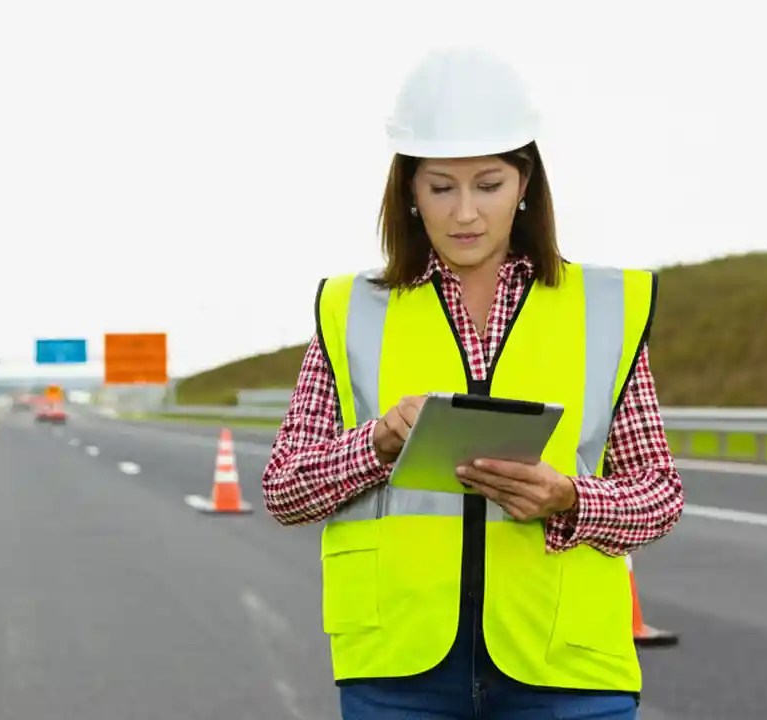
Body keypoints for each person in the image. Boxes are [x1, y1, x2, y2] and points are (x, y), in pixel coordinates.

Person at [260, 47, 686, 720]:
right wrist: (376, 445)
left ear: (525, 186)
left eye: (487, 185)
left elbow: (658, 495)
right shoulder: (351, 311)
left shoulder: (606, 306)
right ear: (408, 189)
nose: (464, 214)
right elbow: (285, 489)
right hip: (400, 672)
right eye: (441, 187)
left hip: (567, 670)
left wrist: (569, 498)